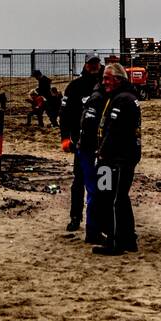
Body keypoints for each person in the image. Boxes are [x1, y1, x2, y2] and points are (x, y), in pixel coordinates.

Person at [89, 63, 141, 256]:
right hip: (118, 157)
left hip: (117, 159)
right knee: (120, 198)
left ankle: (115, 241)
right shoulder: (120, 97)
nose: (104, 82)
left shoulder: (123, 100)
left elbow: (115, 132)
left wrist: (102, 153)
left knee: (112, 199)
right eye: (103, 79)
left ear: (118, 79)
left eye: (107, 78)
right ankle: (128, 238)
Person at [59, 55, 102, 234]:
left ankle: (101, 220)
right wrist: (65, 138)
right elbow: (64, 114)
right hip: (80, 141)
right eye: (90, 63)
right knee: (79, 180)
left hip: (102, 142)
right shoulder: (75, 86)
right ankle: (75, 217)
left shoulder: (106, 84)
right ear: (85, 65)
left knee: (103, 181)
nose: (93, 66)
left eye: (96, 63)